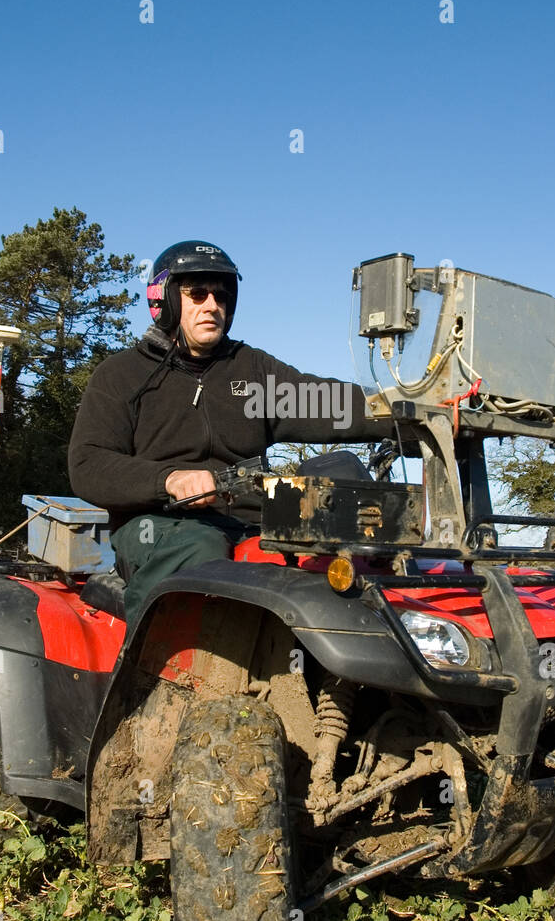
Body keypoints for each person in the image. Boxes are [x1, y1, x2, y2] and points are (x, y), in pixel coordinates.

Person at [68, 240, 392, 632]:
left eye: (221, 296)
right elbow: (88, 462)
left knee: (343, 556)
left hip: (249, 526)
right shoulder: (122, 376)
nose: (212, 305)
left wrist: (416, 410)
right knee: (199, 546)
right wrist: (168, 481)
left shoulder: (250, 369)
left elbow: (332, 403)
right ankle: (153, 675)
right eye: (197, 294)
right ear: (166, 301)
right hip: (155, 525)